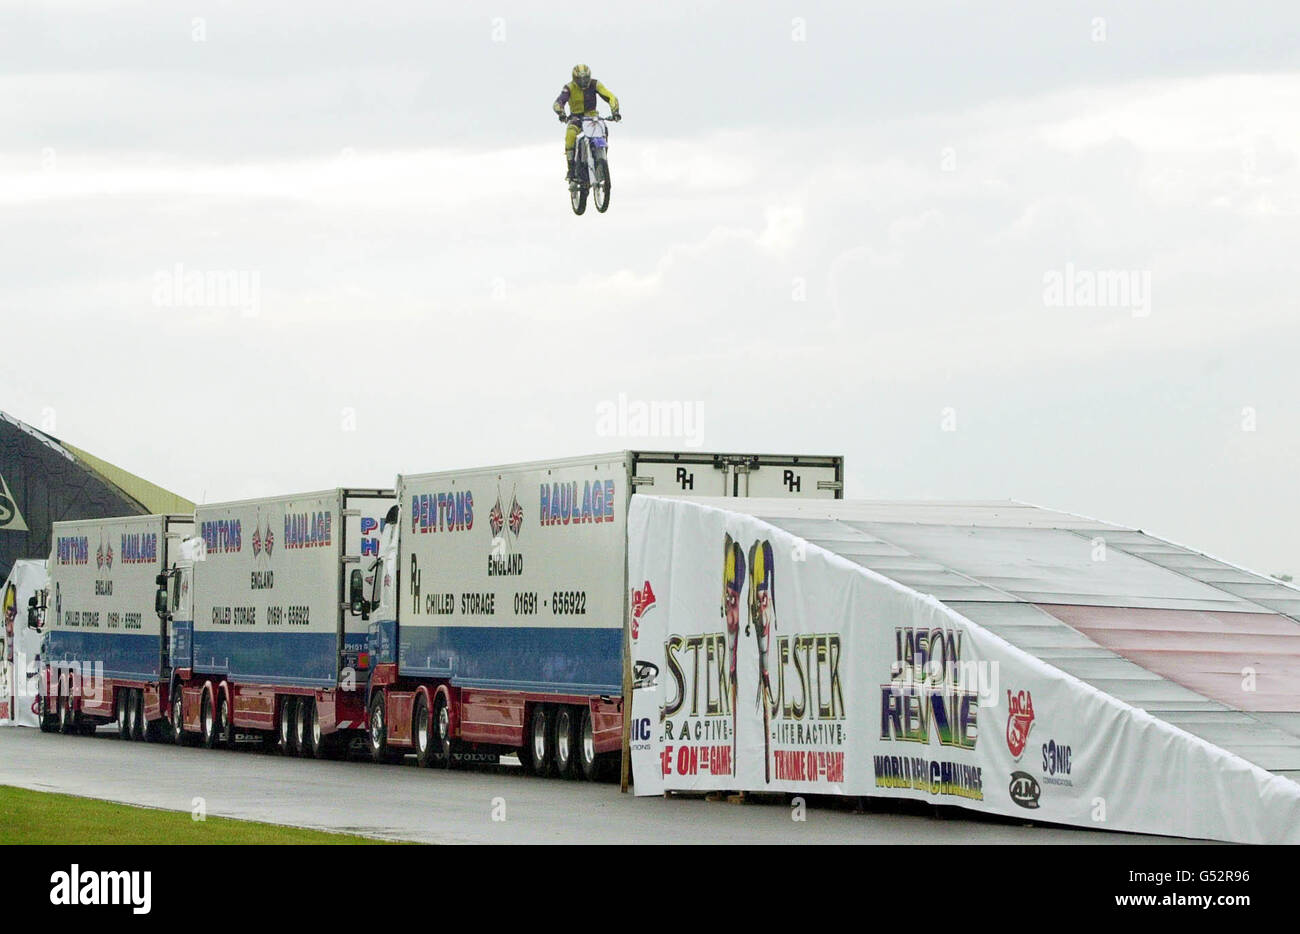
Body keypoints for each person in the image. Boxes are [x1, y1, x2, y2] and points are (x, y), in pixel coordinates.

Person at [553, 64, 620, 185]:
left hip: (592, 117)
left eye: (586, 79)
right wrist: (561, 112)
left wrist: (615, 111)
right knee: (570, 134)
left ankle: (600, 159)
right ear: (575, 78)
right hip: (576, 118)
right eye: (580, 79)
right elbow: (558, 102)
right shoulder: (569, 88)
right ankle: (571, 168)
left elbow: (610, 96)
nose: (584, 82)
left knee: (604, 128)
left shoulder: (595, 84)